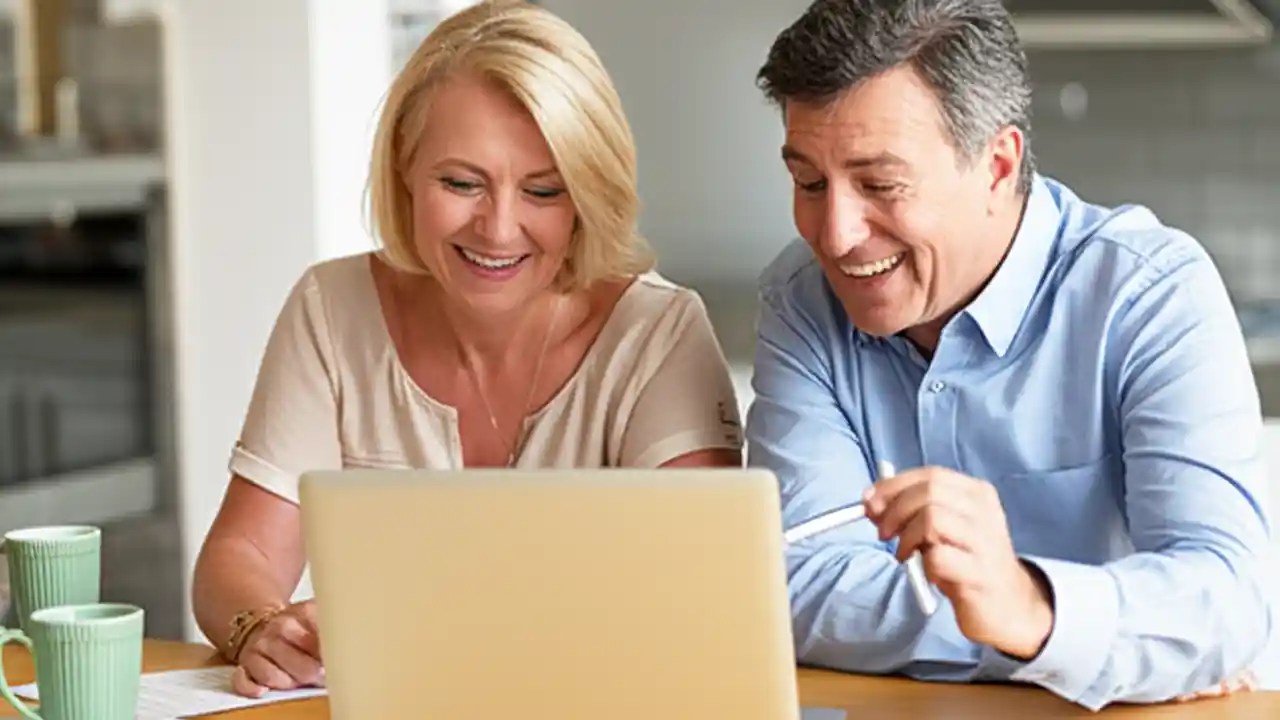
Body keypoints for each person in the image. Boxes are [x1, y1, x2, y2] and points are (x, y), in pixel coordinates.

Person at [192, 0, 744, 698]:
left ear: (586, 195)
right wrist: (262, 628)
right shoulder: (331, 307)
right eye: (461, 183)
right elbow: (241, 553)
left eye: (543, 191)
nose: (498, 229)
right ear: (404, 168)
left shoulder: (658, 334)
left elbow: (693, 597)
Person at [746, 0, 1273, 710]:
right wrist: (1056, 636)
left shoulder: (1148, 295)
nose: (835, 236)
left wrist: (1030, 605)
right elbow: (791, 584)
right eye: (809, 183)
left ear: (997, 166)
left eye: (881, 186)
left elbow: (1225, 602)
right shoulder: (801, 301)